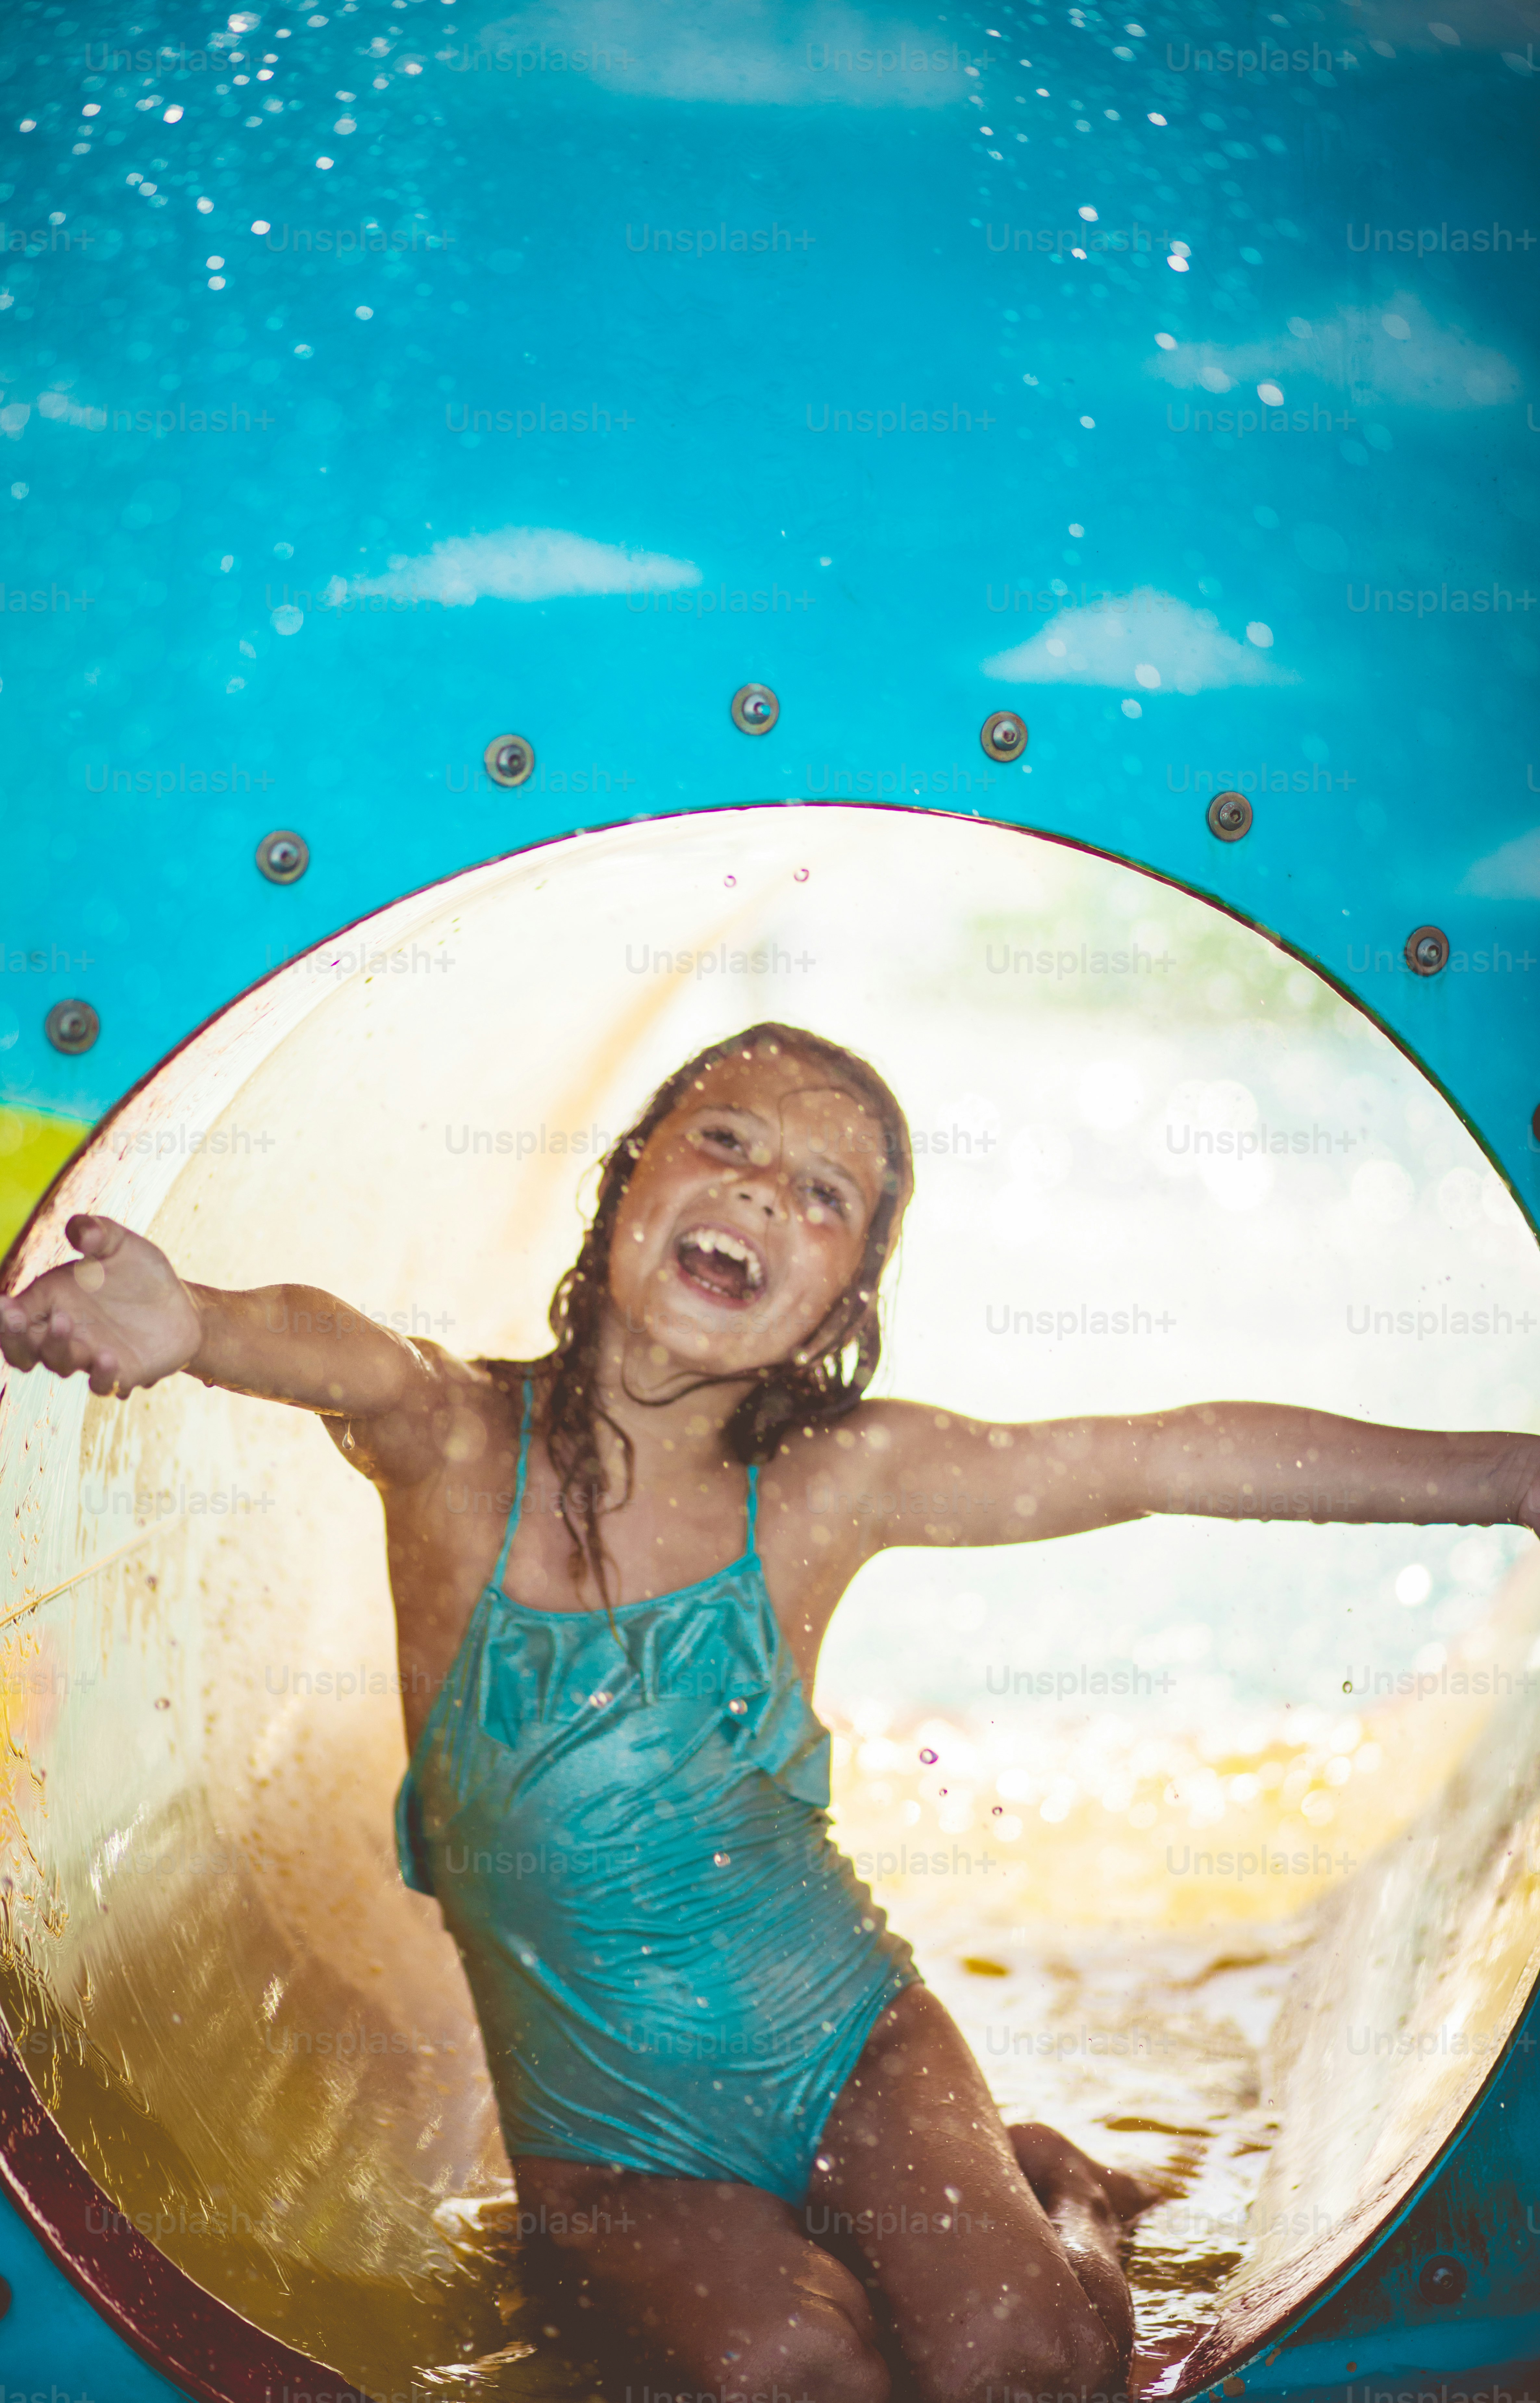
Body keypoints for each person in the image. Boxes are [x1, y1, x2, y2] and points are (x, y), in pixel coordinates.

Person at [4, 1020, 1535, 2403]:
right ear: (627, 1180)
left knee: (1025, 2361)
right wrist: (193, 1319)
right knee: (791, 2369)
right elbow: (342, 1346)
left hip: (849, 2046)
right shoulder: (456, 1440)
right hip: (608, 2142)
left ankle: (1061, 2192)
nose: (758, 1188)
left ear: (840, 1304)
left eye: (822, 1193)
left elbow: (1158, 1455)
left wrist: (1511, 1475)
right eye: (724, 1139)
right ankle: (856, 2227)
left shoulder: (820, 1486)